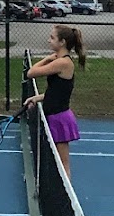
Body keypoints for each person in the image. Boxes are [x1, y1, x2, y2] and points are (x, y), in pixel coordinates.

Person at [25, 24, 86, 178]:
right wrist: (38, 97)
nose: (48, 40)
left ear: (62, 42)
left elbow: (31, 73)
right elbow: (57, 91)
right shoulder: (60, 61)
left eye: (52, 38)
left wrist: (47, 58)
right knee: (53, 159)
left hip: (60, 119)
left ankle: (66, 201)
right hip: (52, 115)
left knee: (62, 163)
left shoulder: (62, 63)